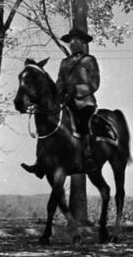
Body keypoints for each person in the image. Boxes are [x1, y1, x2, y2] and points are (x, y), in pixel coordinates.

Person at [22, 27, 101, 177]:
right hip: (66, 101)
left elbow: (94, 84)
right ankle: (40, 161)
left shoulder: (89, 60)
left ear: (83, 43)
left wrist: (76, 89)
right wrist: (58, 95)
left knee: (84, 121)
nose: (72, 44)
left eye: (75, 41)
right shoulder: (65, 62)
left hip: (84, 102)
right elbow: (59, 82)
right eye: (70, 42)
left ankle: (88, 156)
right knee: (47, 124)